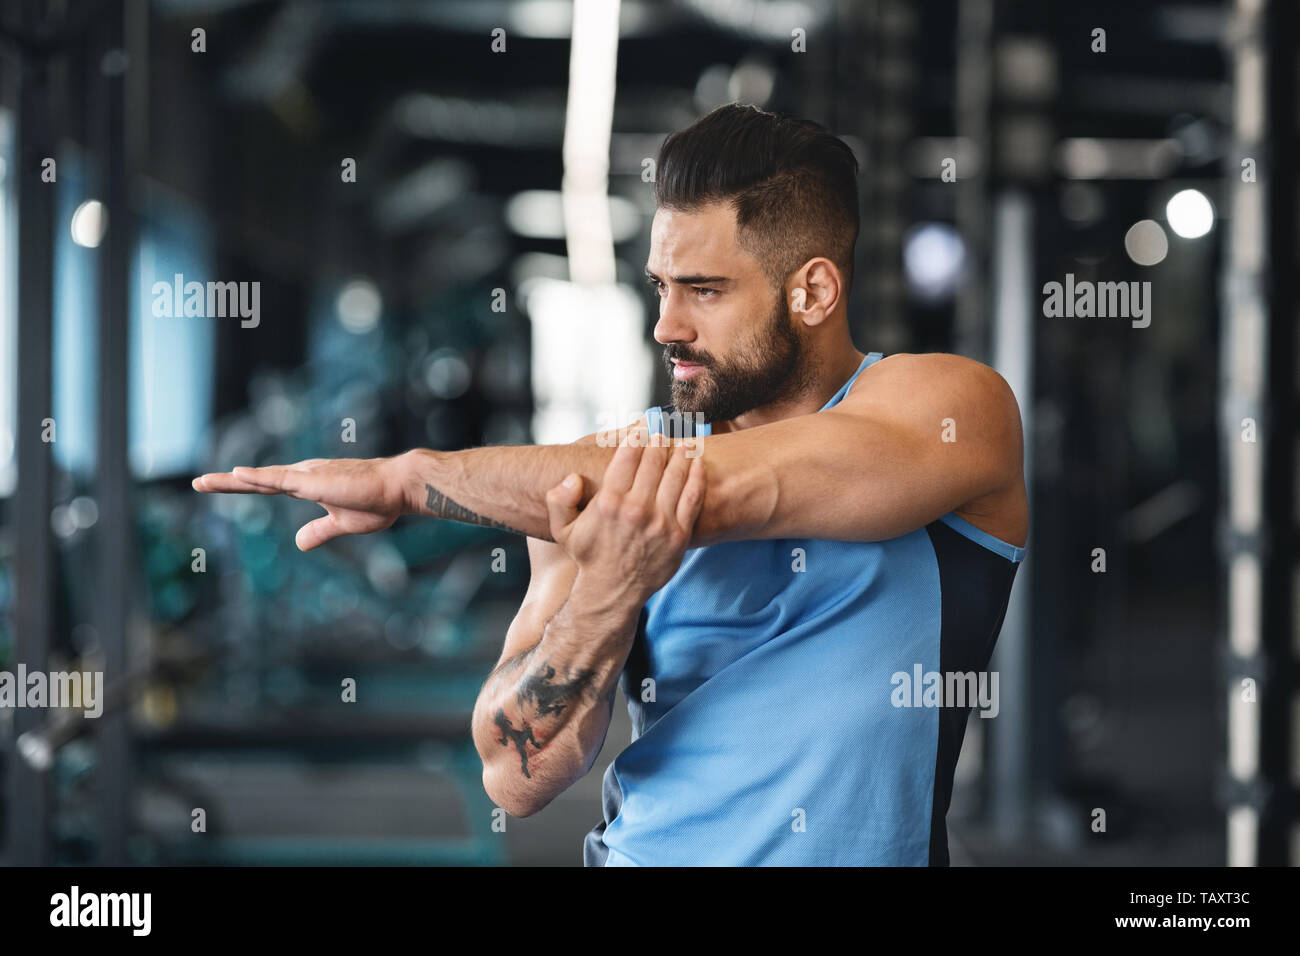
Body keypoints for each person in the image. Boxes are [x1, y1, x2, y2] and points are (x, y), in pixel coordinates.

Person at [193, 103, 1028, 866]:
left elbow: (743, 490)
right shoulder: (584, 478)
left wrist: (416, 480)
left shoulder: (949, 409)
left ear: (811, 290)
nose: (666, 326)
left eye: (705, 291)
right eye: (662, 288)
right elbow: (516, 778)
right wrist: (608, 594)